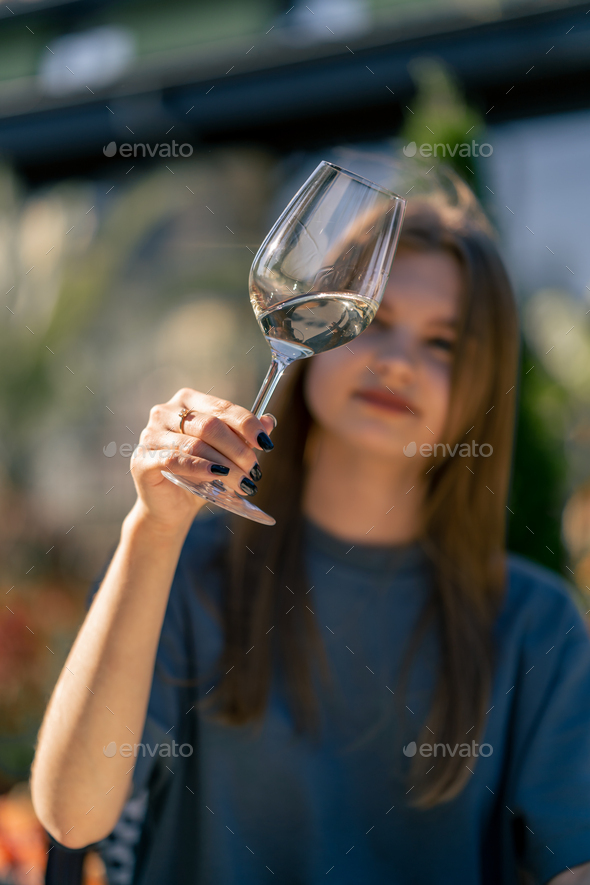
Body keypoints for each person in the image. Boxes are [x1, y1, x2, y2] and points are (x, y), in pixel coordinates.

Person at [31, 181, 590, 885]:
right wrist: (151, 527)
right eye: (377, 321)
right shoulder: (186, 568)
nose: (396, 361)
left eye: (442, 343)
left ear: (484, 385)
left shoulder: (536, 625)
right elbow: (73, 816)